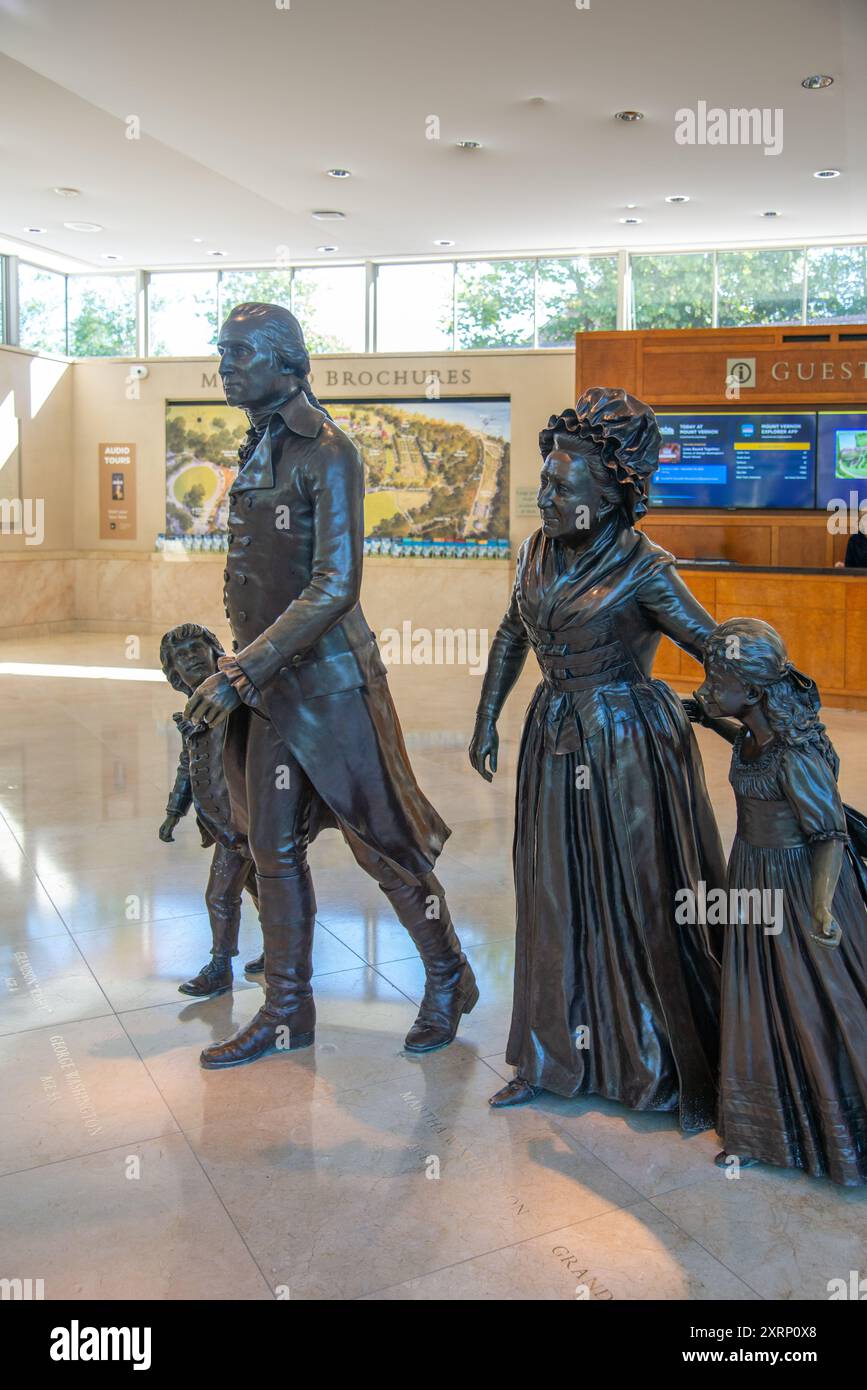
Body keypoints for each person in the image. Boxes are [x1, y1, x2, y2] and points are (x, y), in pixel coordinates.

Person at [184, 303, 476, 1068]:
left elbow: (334, 584)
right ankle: (287, 1011)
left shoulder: (328, 452)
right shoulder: (258, 447)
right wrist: (247, 671)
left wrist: (243, 668)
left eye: (240, 352)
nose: (226, 366)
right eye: (222, 353)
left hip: (329, 686)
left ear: (287, 361)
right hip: (266, 686)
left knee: (383, 846)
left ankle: (449, 975)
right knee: (269, 849)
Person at [469, 387, 725, 1131]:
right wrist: (487, 716)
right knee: (552, 892)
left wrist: (743, 707)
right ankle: (552, 1058)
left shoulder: (647, 568)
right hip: (553, 737)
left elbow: (711, 648)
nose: (542, 493)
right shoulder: (537, 548)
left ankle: (652, 1064)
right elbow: (511, 631)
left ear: (609, 491)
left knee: (634, 899)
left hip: (625, 747)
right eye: (543, 479)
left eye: (558, 482)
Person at [690, 618, 867, 1184]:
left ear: (756, 691)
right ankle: (759, 1129)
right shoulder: (750, 735)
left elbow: (829, 835)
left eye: (716, 680)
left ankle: (832, 1129)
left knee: (810, 1002)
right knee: (754, 998)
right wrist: (712, 720)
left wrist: (819, 908)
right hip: (751, 874)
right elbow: (743, 745)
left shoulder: (795, 756)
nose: (706, 687)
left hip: (794, 887)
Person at [159, 623, 260, 998]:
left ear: (215, 652)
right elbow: (189, 763)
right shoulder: (194, 710)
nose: (190, 661)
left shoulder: (238, 699)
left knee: (219, 894)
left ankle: (220, 966)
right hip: (222, 822)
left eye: (196, 652)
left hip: (245, 821)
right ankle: (278, 951)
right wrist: (174, 810)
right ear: (173, 673)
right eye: (180, 658)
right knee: (259, 889)